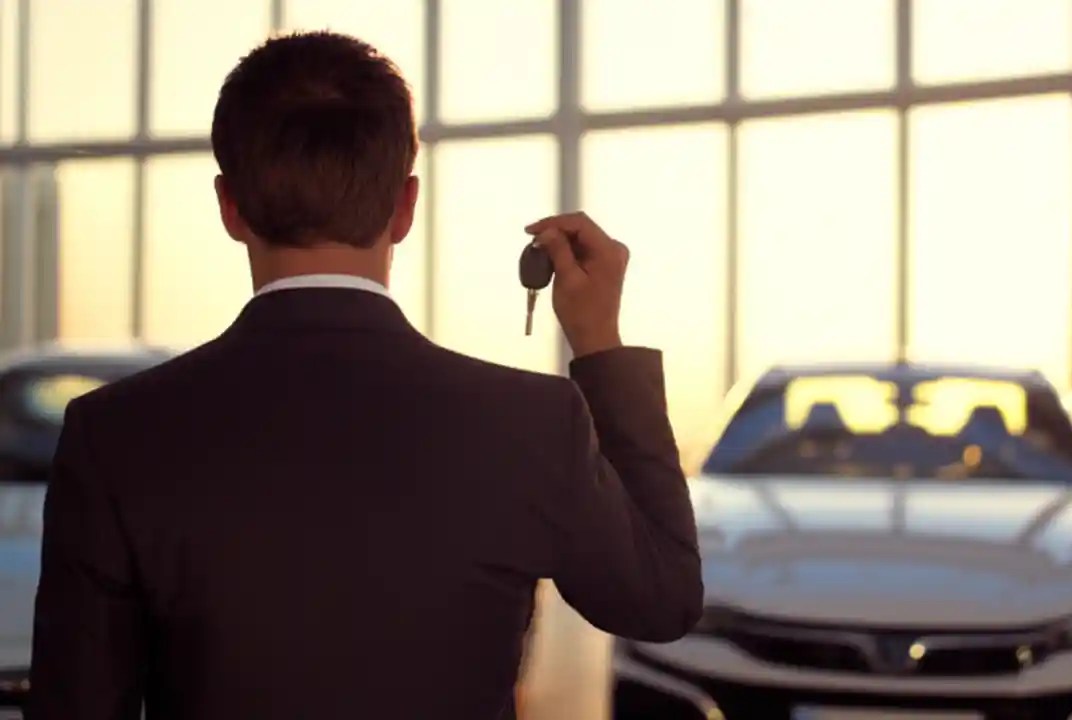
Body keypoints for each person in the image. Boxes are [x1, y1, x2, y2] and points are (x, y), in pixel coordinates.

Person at [27, 31, 701, 720]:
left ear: (230, 207)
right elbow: (662, 598)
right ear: (404, 208)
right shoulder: (530, 421)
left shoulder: (114, 435)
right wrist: (600, 345)